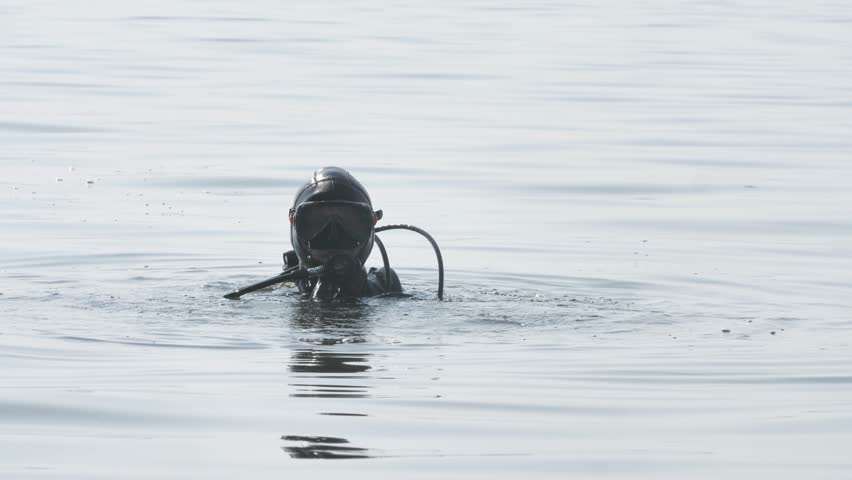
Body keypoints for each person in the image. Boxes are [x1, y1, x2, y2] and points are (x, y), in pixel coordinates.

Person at [282, 166, 402, 299]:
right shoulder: (283, 288)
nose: (333, 237)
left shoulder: (385, 285)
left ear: (371, 224)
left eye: (349, 223)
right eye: (317, 222)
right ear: (294, 223)